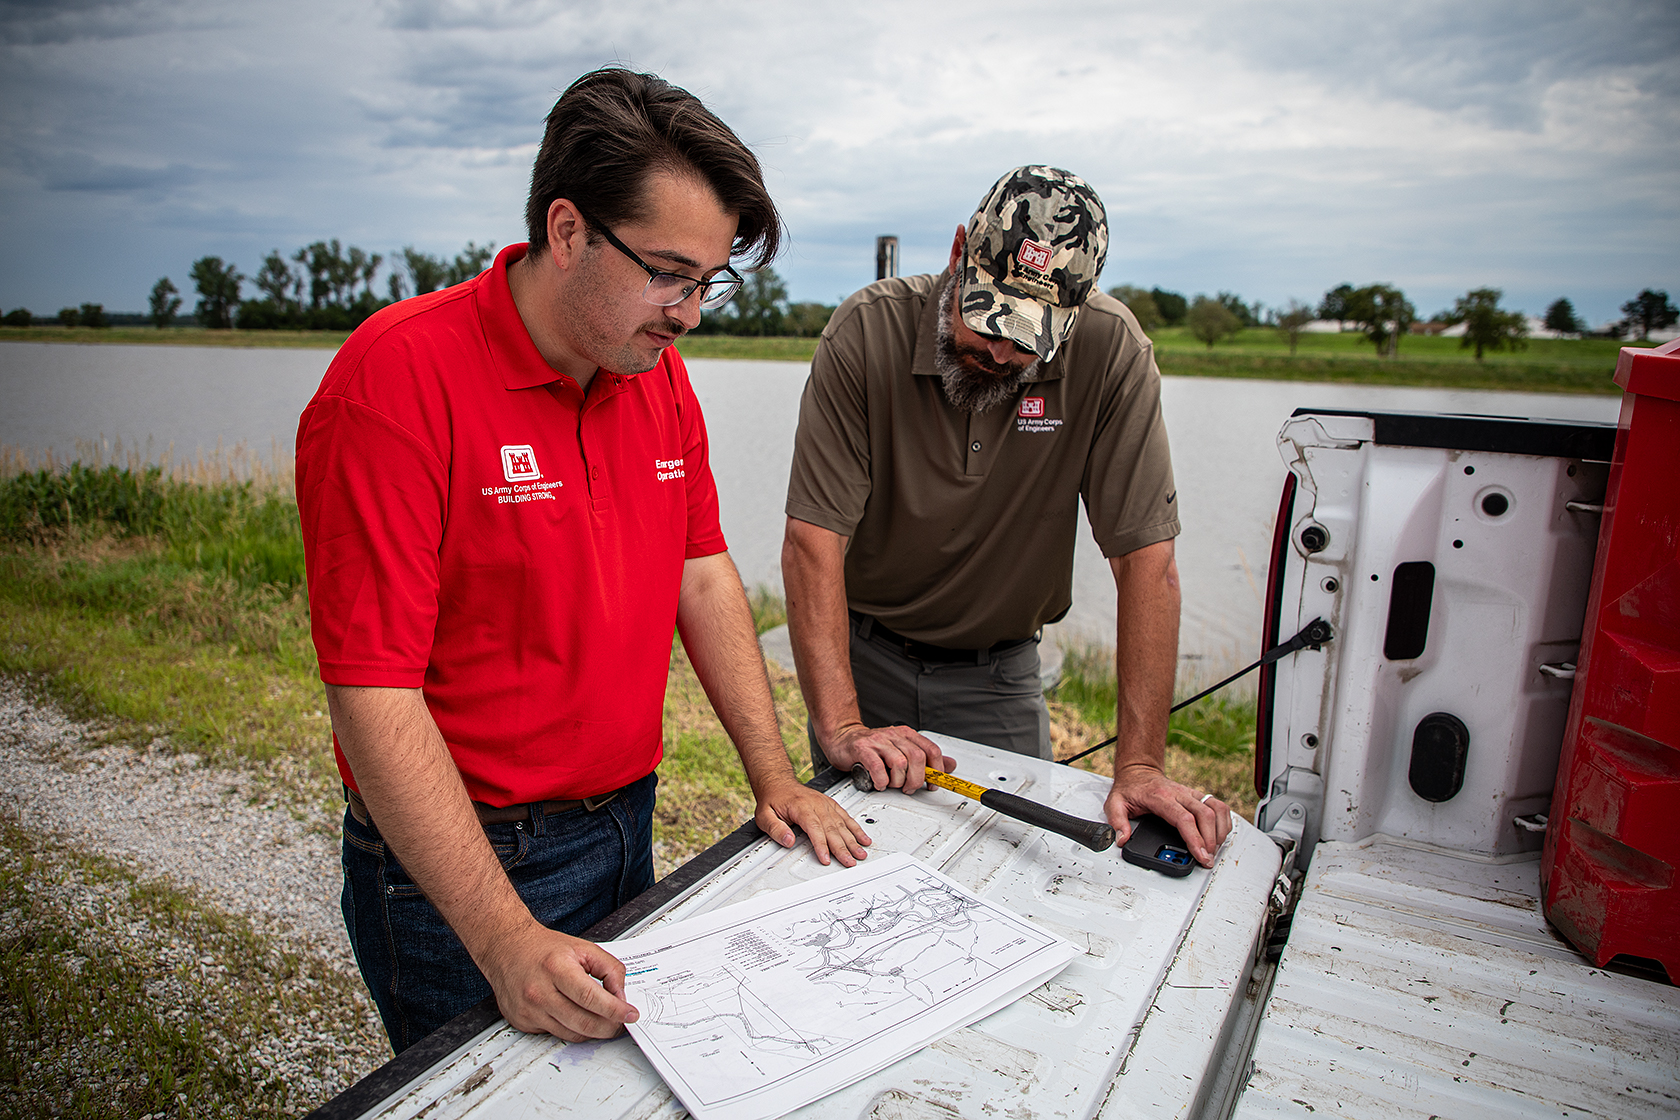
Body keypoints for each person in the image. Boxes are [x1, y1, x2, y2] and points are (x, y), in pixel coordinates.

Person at [295, 67, 870, 1054]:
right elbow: (373, 693)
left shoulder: (656, 374)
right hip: (466, 866)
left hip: (622, 820)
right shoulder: (393, 384)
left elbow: (701, 572)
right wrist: (505, 935)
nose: (691, 310)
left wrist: (773, 776)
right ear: (567, 233)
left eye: (709, 281)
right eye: (670, 273)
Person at [781, 166, 1230, 866]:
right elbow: (813, 542)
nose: (999, 351)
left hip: (1000, 677)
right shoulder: (866, 333)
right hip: (864, 662)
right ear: (960, 251)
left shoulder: (1112, 353)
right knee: (852, 870)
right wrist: (840, 723)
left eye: (1029, 337)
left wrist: (1139, 767)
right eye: (987, 316)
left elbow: (1147, 563)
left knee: (1012, 873)